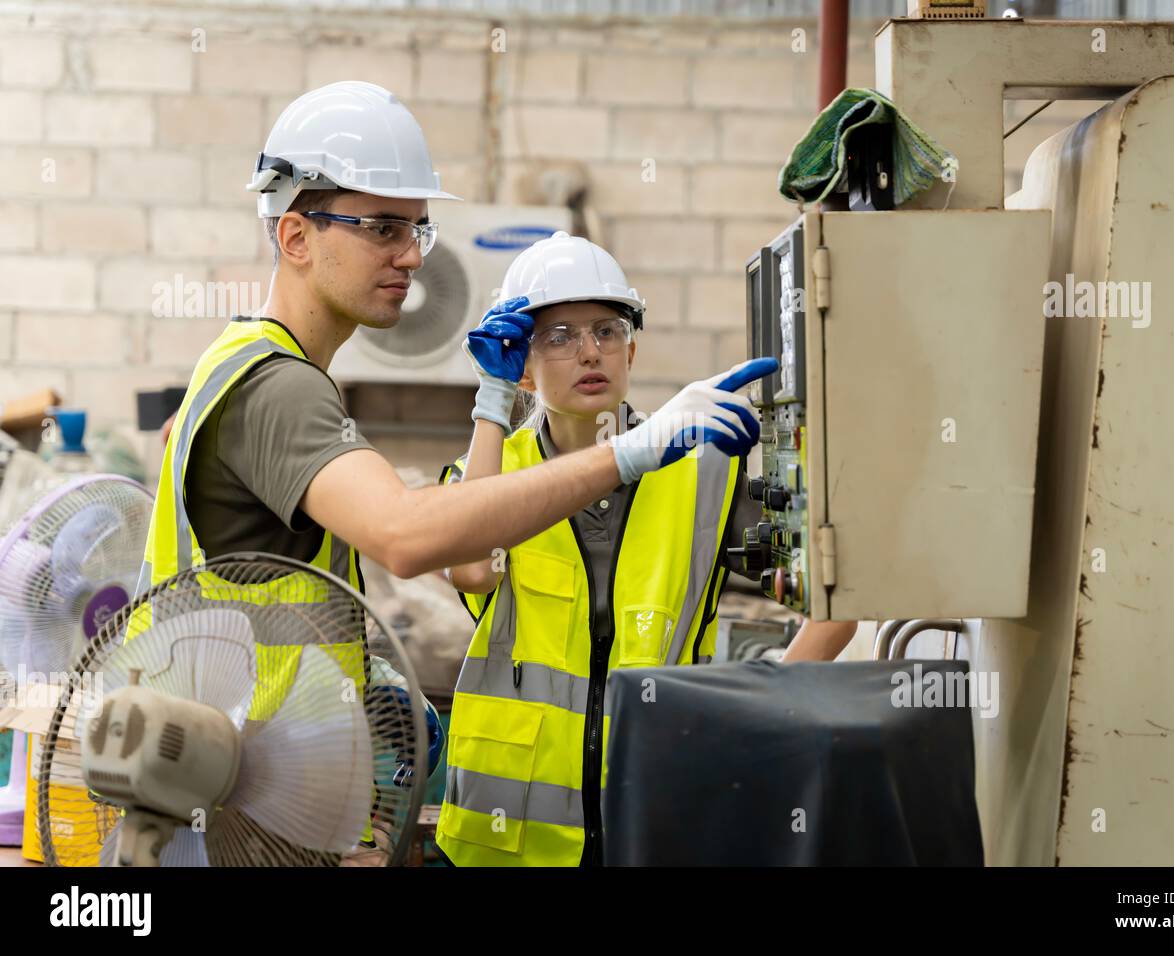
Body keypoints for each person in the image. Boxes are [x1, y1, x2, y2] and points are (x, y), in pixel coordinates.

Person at [137, 81, 773, 860]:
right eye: (381, 228)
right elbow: (408, 537)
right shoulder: (279, 386)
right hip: (233, 807)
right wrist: (630, 451)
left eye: (416, 230)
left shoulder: (255, 369)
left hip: (236, 790)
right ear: (296, 236)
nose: (410, 255)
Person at [434, 232, 857, 867]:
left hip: (655, 823)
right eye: (558, 336)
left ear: (631, 347)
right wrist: (491, 402)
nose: (588, 352)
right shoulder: (489, 475)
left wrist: (760, 712)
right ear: (520, 364)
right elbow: (470, 569)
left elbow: (837, 603)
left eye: (606, 330)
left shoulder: (705, 467)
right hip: (506, 841)